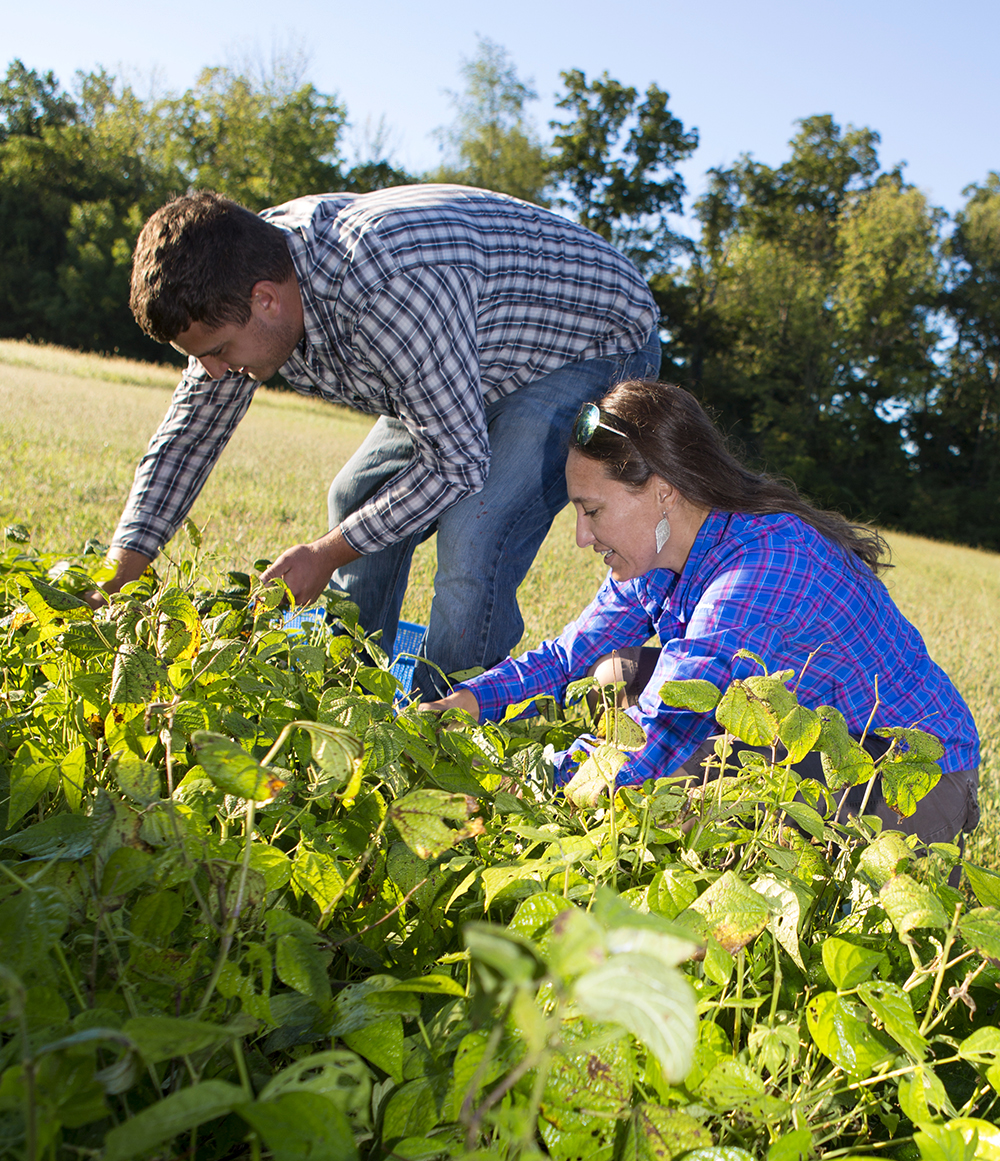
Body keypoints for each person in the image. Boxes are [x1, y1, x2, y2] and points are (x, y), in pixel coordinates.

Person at [96, 185, 660, 698]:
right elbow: (189, 435)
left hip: (586, 343)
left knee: (476, 529)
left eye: (217, 350)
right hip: (470, 348)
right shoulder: (232, 272)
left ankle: (446, 727)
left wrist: (325, 554)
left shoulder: (384, 287)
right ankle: (347, 693)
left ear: (266, 299)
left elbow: (456, 464)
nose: (214, 371)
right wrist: (125, 564)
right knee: (355, 498)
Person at [422, 380, 981, 847]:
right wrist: (470, 700)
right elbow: (570, 654)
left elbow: (664, 726)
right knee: (615, 673)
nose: (581, 536)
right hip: (810, 731)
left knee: (688, 769)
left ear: (662, 492)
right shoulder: (662, 551)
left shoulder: (760, 565)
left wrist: (530, 787)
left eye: (593, 511)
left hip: (904, 769)